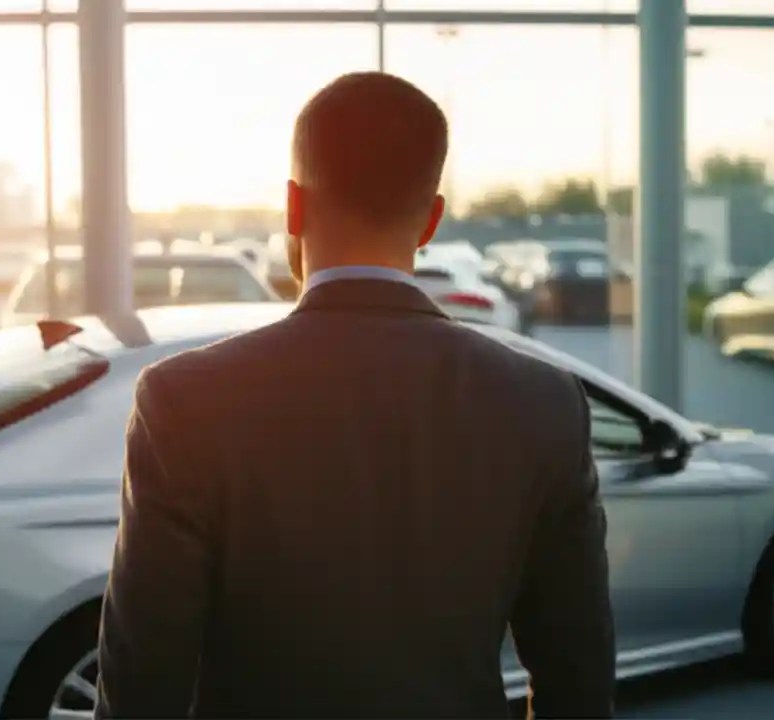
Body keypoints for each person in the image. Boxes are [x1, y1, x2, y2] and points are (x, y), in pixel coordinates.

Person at [97, 72, 614, 719]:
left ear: (293, 207)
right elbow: (580, 683)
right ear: (430, 221)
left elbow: (141, 687)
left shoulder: (184, 401)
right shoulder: (545, 404)